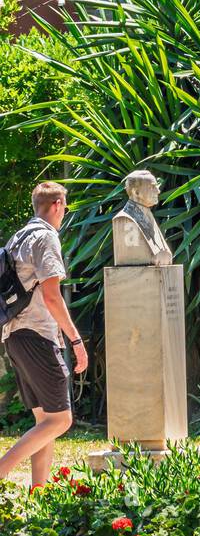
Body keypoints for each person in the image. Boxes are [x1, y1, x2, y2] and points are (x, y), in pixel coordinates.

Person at [0, 182, 88, 487]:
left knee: (45, 419)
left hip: (14, 335)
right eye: (65, 207)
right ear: (58, 204)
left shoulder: (18, 237)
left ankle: (39, 492)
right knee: (60, 420)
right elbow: (52, 296)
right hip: (37, 335)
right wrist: (76, 340)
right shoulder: (46, 238)